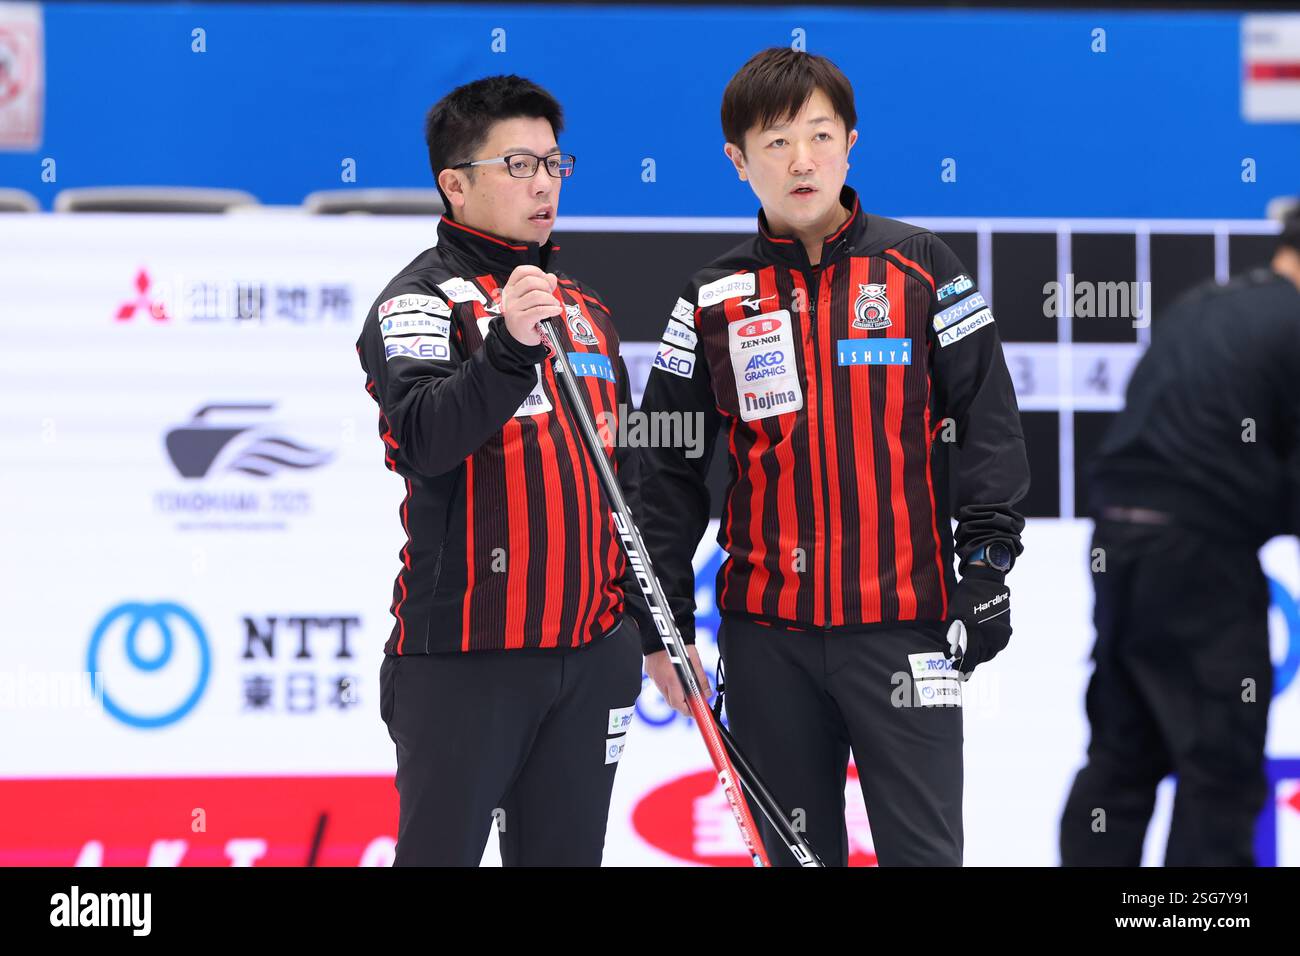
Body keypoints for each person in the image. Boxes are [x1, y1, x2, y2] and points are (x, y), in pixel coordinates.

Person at [635, 47, 1030, 867]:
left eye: (820, 135)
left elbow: (987, 421)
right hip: (763, 638)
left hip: (907, 631)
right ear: (738, 162)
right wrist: (662, 625)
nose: (802, 159)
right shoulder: (710, 298)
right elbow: (665, 470)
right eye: (776, 142)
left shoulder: (924, 267)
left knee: (925, 855)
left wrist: (986, 567)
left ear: (851, 143)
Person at [355, 74, 649, 866]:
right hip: (466, 659)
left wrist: (648, 632)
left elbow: (623, 481)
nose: (544, 182)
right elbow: (423, 437)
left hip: (591, 656)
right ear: (455, 183)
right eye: (518, 165)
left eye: (554, 163)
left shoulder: (586, 310)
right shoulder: (415, 302)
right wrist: (509, 350)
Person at [1060, 209, 1300, 866]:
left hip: (1119, 546)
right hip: (1200, 557)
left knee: (1122, 755)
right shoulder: (1293, 325)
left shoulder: (1202, 307)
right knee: (1219, 765)